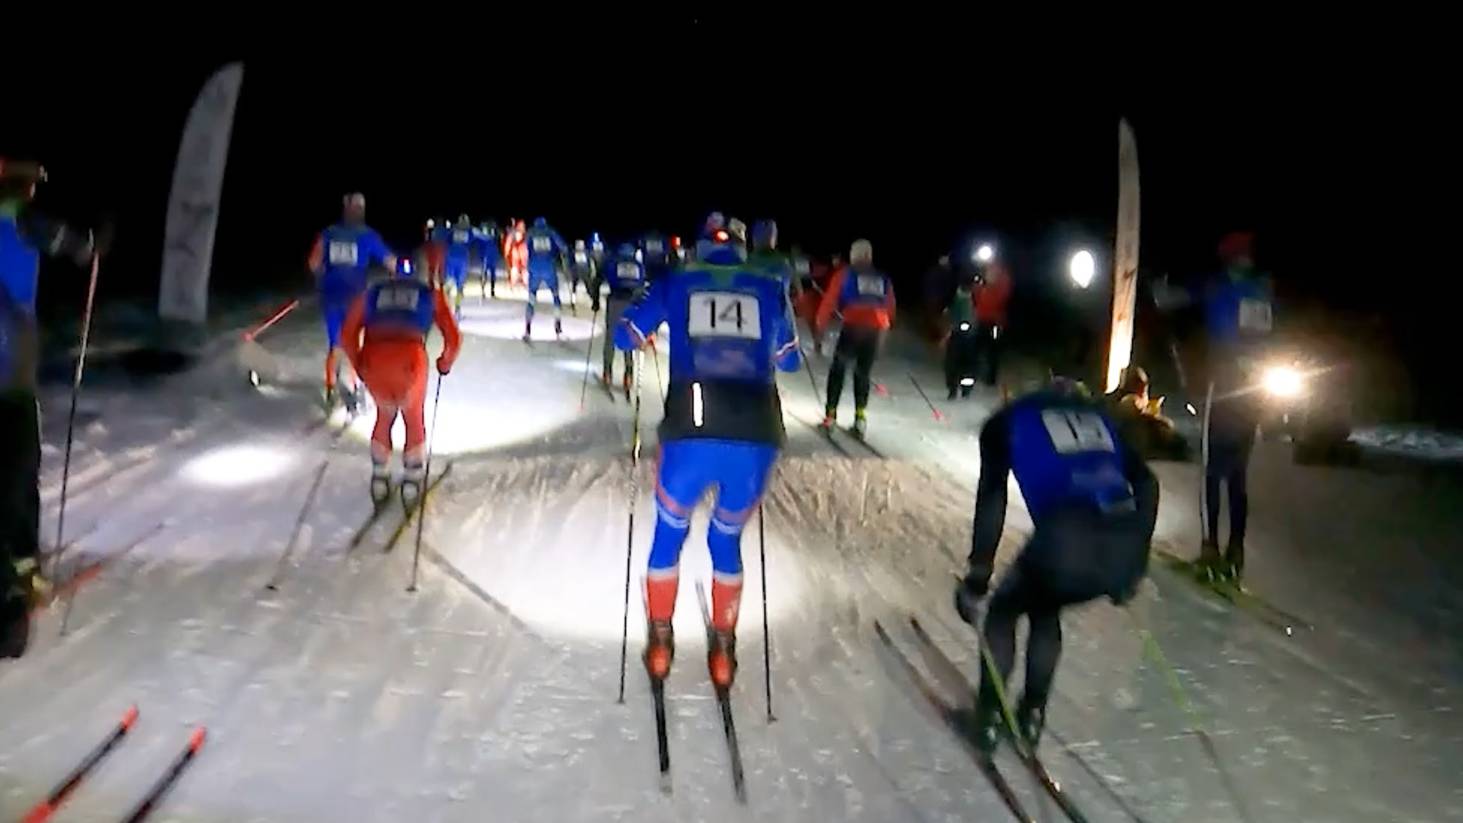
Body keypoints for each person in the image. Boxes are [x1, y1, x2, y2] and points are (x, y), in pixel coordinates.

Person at [613, 220, 801, 689]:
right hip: (755, 431)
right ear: (741, 247)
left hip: (691, 429)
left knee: (669, 532)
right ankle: (723, 649)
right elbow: (790, 360)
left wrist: (642, 321)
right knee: (726, 539)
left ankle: (660, 644)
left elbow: (625, 336)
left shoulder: (677, 280)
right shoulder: (768, 285)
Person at [954, 378, 1158, 755]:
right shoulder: (1097, 417)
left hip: (1066, 534)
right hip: (1122, 535)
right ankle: (1032, 715)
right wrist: (1136, 561)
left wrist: (978, 575)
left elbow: (992, 498)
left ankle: (988, 719)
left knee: (1003, 613)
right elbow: (1147, 482)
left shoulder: (1007, 421)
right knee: (1046, 607)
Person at [1, 158, 101, 659]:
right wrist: (94, 244)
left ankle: (20, 570)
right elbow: (73, 244)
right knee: (16, 473)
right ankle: (12, 598)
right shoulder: (22, 221)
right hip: (8, 369)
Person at [340, 256, 461, 508]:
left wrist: (359, 364)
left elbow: (347, 333)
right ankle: (412, 479)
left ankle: (379, 477)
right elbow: (453, 337)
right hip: (409, 360)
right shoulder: (430, 294)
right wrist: (445, 362)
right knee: (413, 417)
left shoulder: (372, 293)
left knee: (384, 415)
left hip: (374, 358)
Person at [1197, 232, 1273, 581]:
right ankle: (1236, 547)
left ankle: (1210, 545)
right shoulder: (1262, 293)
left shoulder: (1222, 290)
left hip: (1227, 388)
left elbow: (1217, 329)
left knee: (1213, 471)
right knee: (1238, 475)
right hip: (1253, 393)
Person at [308, 193, 395, 413]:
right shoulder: (366, 235)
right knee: (354, 344)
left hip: (332, 297)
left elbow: (313, 262)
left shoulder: (329, 233)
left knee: (336, 344)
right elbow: (391, 261)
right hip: (355, 300)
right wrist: (402, 276)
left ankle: (331, 389)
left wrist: (322, 276)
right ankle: (357, 388)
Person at [815, 239, 894, 438]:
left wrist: (820, 328)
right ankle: (860, 419)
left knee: (838, 370)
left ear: (855, 255)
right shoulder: (883, 278)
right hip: (874, 331)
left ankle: (830, 416)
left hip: (852, 328)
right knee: (863, 374)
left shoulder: (845, 274)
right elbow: (890, 308)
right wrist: (883, 336)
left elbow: (829, 301)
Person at [592, 241, 647, 397]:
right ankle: (628, 375)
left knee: (610, 336)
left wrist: (595, 301)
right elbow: (643, 285)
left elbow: (597, 279)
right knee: (628, 335)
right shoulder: (638, 265)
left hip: (615, 301)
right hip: (633, 304)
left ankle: (607, 373)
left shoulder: (613, 262)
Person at [1103, 365, 1187, 460]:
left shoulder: (1150, 418)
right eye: (1137, 386)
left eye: (1144, 387)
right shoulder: (1127, 411)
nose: (1143, 392)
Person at [522, 216, 567, 341]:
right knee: (555, 295)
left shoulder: (531, 232)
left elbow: (524, 245)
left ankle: (527, 329)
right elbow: (563, 247)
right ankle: (558, 326)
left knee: (531, 297)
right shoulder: (551, 231)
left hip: (534, 268)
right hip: (549, 268)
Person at [970, 259, 1012, 387]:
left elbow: (1003, 297)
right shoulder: (983, 277)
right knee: (976, 346)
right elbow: (975, 295)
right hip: (981, 318)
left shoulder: (1003, 278)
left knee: (992, 348)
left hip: (995, 321)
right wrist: (978, 286)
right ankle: (973, 372)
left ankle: (991, 377)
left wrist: (990, 286)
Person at [943, 267, 980, 399]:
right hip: (957, 333)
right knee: (952, 362)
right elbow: (948, 311)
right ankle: (952, 389)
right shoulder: (954, 295)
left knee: (967, 364)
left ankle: (966, 389)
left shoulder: (976, 296)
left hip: (970, 335)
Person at [443, 214, 476, 310]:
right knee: (459, 285)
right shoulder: (470, 231)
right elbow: (472, 242)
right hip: (462, 259)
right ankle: (457, 306)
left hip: (451, 257)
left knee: (449, 282)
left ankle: (447, 305)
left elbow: (447, 241)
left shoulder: (453, 230)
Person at [474, 220, 503, 299]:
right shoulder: (482, 234)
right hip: (487, 255)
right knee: (485, 273)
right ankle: (484, 292)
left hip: (491, 255)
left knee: (491, 274)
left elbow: (499, 240)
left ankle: (491, 292)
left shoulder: (493, 231)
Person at [503, 219, 528, 289]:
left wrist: (506, 253)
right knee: (521, 268)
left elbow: (508, 243)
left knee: (517, 268)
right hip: (522, 252)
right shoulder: (525, 233)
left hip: (518, 252)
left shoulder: (513, 233)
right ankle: (524, 283)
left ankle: (514, 284)